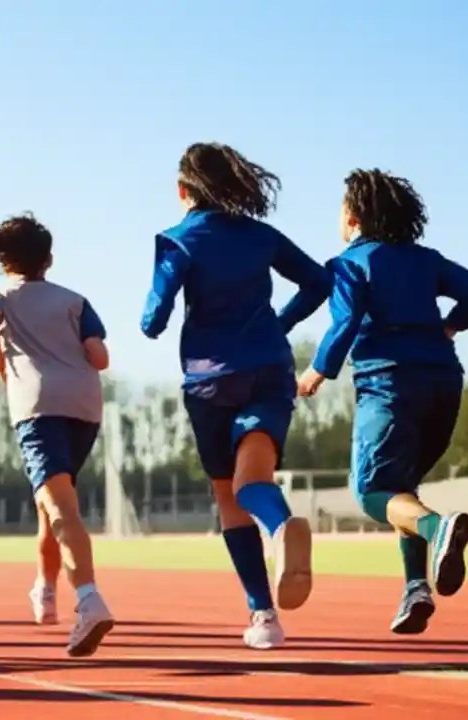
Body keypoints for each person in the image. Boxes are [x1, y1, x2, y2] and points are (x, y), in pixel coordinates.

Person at [141, 142, 331, 650]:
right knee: (254, 481)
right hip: (270, 367)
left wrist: (157, 315)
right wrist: (280, 321)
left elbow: (152, 319)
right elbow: (320, 281)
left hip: (210, 380)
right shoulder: (261, 235)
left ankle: (264, 616)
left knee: (228, 495)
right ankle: (279, 523)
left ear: (184, 191)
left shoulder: (178, 239)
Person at [297, 169, 468, 635]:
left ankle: (439, 530)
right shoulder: (425, 259)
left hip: (390, 386)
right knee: (401, 490)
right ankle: (415, 589)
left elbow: (344, 323)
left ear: (355, 214)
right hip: (445, 382)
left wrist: (316, 371)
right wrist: (450, 326)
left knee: (371, 491)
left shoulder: (350, 261)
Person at [0, 214, 116, 657]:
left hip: (38, 406)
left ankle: (88, 597)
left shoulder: (0, 295)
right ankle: (45, 589)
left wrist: (4, 364)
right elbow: (99, 356)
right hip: (84, 408)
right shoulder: (76, 300)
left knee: (60, 503)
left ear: (5, 260)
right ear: (49, 259)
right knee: (52, 501)